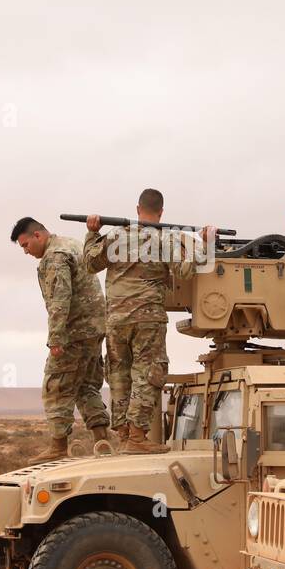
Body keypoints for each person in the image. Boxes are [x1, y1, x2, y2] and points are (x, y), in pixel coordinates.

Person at [10, 217, 111, 463]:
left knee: (55, 387)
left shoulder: (55, 256)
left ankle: (58, 446)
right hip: (95, 329)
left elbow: (60, 299)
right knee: (87, 387)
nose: (26, 251)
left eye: (25, 245)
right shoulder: (72, 244)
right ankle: (102, 440)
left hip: (74, 332)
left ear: (38, 235)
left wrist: (56, 337)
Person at [83, 189, 176, 454]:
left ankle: (124, 436)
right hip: (148, 318)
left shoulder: (116, 235)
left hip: (116, 319)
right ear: (161, 212)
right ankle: (137, 437)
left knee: (119, 375)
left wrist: (92, 232)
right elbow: (188, 270)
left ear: (137, 209)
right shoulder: (164, 239)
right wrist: (202, 241)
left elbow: (90, 263)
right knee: (147, 373)